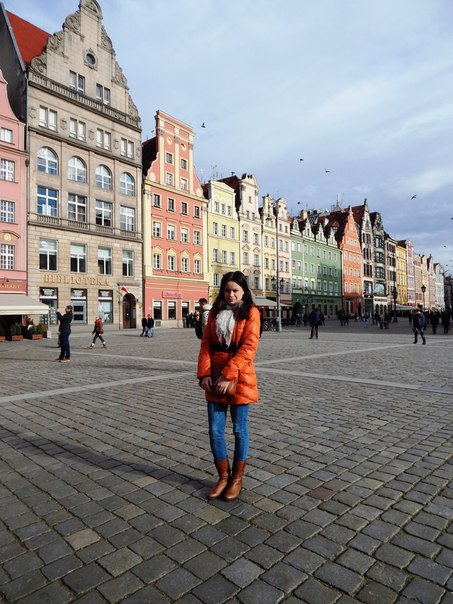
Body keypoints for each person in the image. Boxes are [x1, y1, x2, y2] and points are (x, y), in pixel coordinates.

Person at [197, 271, 260, 502]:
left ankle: (237, 479)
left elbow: (249, 347)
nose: (231, 294)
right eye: (227, 290)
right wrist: (204, 374)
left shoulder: (251, 312)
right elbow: (206, 344)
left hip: (239, 377)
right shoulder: (215, 312)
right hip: (214, 377)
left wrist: (227, 374)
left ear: (243, 291)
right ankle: (223, 476)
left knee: (239, 430)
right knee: (215, 431)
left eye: (235, 290)